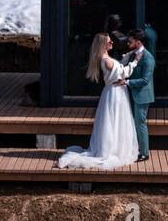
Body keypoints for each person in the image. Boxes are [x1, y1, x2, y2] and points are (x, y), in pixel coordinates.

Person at [57, 33, 140, 169]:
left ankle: (116, 147)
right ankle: (112, 149)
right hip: (115, 93)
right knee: (115, 121)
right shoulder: (106, 60)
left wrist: (125, 59)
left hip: (114, 92)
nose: (112, 43)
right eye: (109, 42)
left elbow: (118, 68)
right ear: (103, 45)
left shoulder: (106, 58)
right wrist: (135, 61)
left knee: (115, 121)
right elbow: (123, 73)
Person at [124, 28, 156, 162]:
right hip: (130, 93)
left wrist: (126, 82)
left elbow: (144, 80)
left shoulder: (148, 58)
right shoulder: (132, 54)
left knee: (140, 123)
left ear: (138, 42)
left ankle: (144, 153)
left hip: (142, 96)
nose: (127, 43)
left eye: (130, 41)